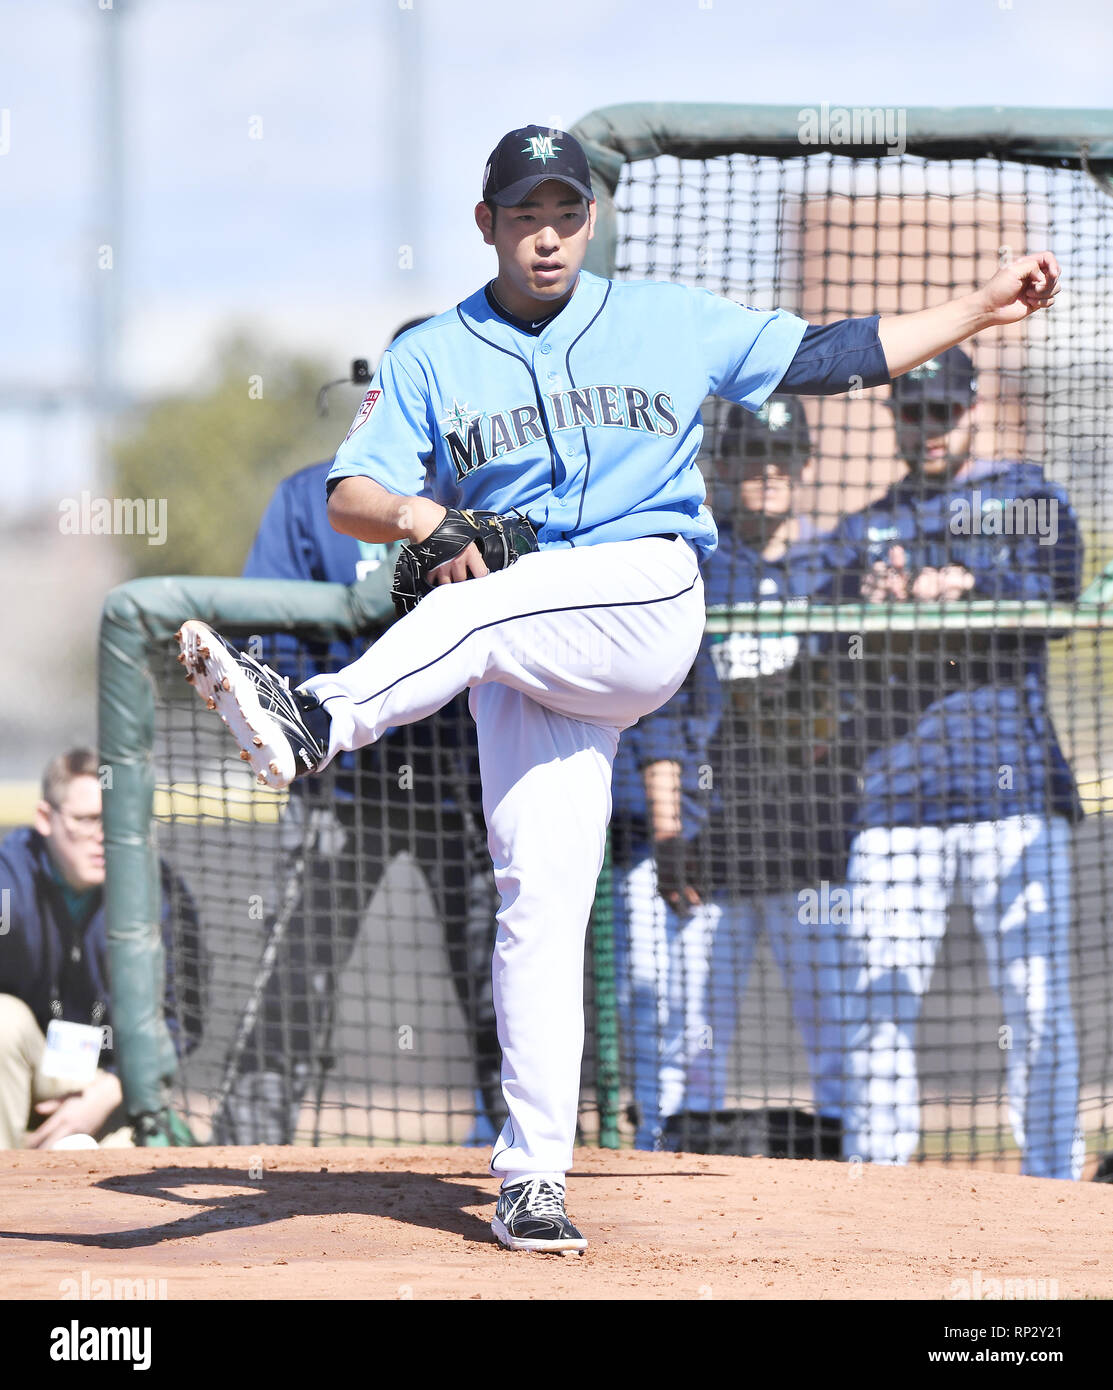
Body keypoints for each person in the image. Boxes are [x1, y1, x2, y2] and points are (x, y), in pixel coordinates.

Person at [173, 123, 1062, 1249]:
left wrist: (980, 305)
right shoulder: (435, 352)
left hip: (645, 598)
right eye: (525, 212)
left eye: (566, 211)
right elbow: (351, 488)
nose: (547, 234)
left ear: (589, 221)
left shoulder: (664, 317)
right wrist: (421, 514)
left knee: (475, 601)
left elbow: (841, 353)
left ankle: (317, 717)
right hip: (527, 654)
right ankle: (533, 1176)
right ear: (485, 222)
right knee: (537, 902)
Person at [211, 322, 505, 1149]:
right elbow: (256, 633)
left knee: (500, 978)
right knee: (294, 977)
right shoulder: (316, 496)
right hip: (343, 785)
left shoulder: (498, 494)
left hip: (466, 779)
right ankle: (251, 1152)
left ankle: (526, 1155)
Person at [815, 346, 1084, 1179]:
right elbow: (824, 647)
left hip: (1014, 793)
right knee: (875, 1000)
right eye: (912, 411)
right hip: (897, 799)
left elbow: (1061, 593)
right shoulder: (862, 528)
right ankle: (879, 1183)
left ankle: (1051, 1179)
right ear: (892, 419)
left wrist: (964, 582)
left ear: (970, 408)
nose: (927, 428)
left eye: (942, 411)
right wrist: (872, 602)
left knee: (1036, 1002)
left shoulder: (1022, 495)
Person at [612, 397, 855, 1153]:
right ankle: (659, 1183)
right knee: (682, 1046)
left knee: (844, 1040)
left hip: (809, 854)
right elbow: (664, 713)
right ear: (720, 467)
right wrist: (670, 830)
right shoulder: (695, 567)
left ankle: (876, 1202)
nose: (768, 470)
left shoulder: (835, 568)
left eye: (782, 456)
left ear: (807, 466)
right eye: (751, 455)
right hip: (709, 853)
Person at [0, 748, 204, 1149]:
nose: (103, 836)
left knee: (129, 1178)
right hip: (26, 1068)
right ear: (45, 818)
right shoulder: (9, 879)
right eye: (87, 819)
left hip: (110, 1084)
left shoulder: (155, 890)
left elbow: (182, 1019)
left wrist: (113, 1086)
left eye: (113, 821)